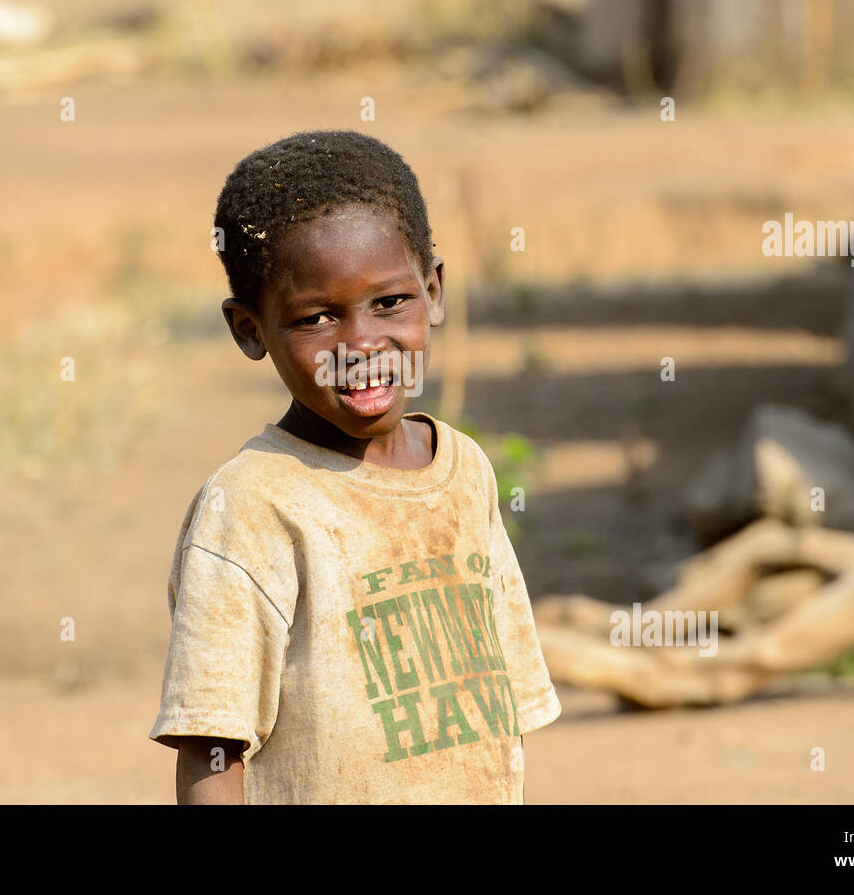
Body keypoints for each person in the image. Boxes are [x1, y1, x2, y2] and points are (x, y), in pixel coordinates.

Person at [149, 129, 560, 803]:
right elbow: (211, 745)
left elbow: (503, 723)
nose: (361, 344)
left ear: (433, 291)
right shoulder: (251, 505)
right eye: (316, 317)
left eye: (390, 302)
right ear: (250, 328)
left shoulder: (466, 471)